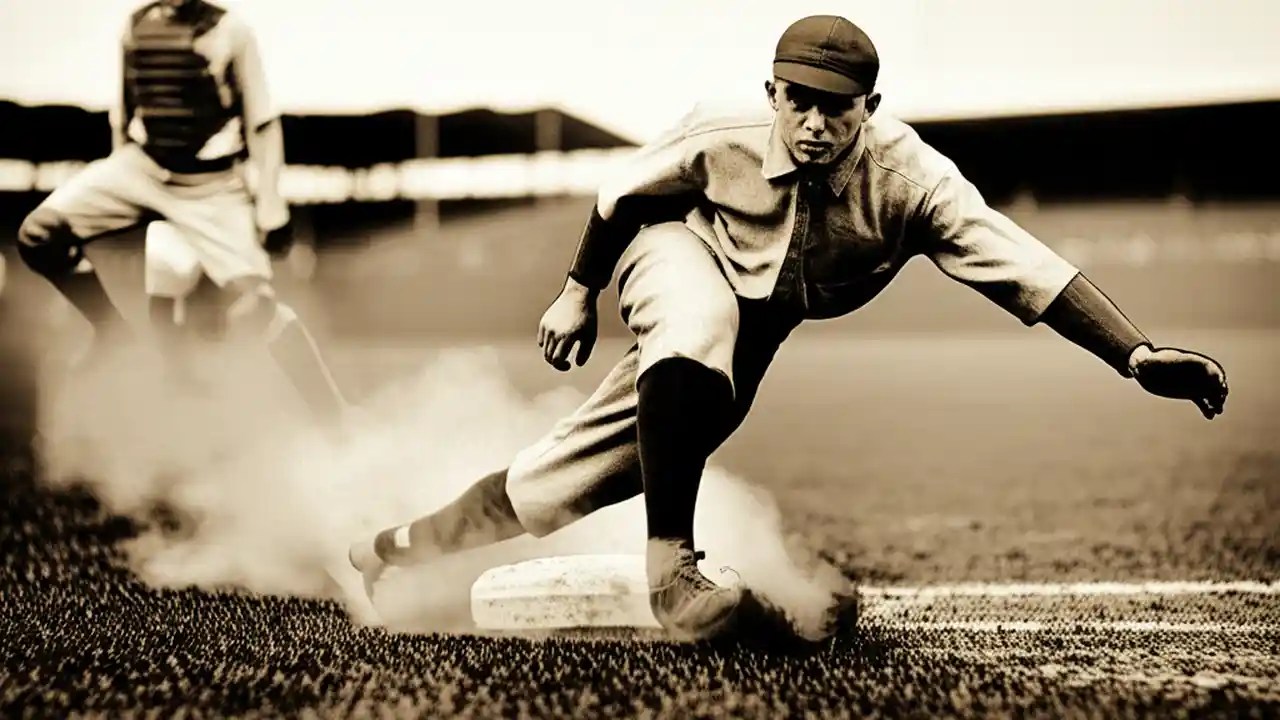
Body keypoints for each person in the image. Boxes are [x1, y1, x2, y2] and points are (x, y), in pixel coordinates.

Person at [333, 15, 1229, 638]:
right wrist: (576, 291)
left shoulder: (913, 183)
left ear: (869, 109)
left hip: (750, 335)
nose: (811, 118)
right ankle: (670, 575)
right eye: (796, 97)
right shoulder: (720, 131)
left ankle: (384, 552)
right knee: (697, 317)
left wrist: (1134, 352)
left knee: (558, 484)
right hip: (675, 256)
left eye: (836, 104)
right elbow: (617, 199)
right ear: (771, 89)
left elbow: (1021, 262)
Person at [15, 0, 349, 426]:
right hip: (143, 167)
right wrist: (120, 192)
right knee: (39, 234)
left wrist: (270, 204)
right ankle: (111, 331)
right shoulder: (135, 25)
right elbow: (124, 113)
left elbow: (262, 123)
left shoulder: (233, 31)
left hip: (213, 185)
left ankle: (336, 418)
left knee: (255, 306)